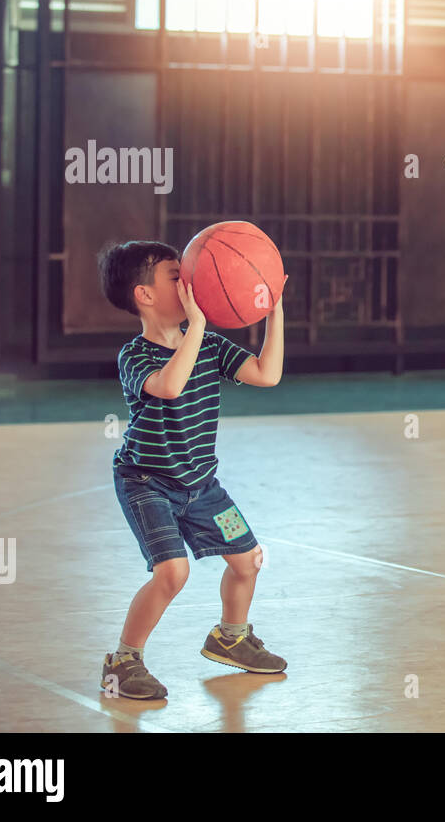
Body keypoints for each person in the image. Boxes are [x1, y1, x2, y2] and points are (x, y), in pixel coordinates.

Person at [96, 241, 289, 699]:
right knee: (172, 574)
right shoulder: (134, 356)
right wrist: (199, 324)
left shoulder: (208, 343)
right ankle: (122, 663)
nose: (189, 282)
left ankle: (231, 637)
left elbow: (267, 373)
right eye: (173, 276)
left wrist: (274, 312)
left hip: (202, 487)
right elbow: (169, 385)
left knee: (248, 561)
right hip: (147, 484)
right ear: (144, 295)